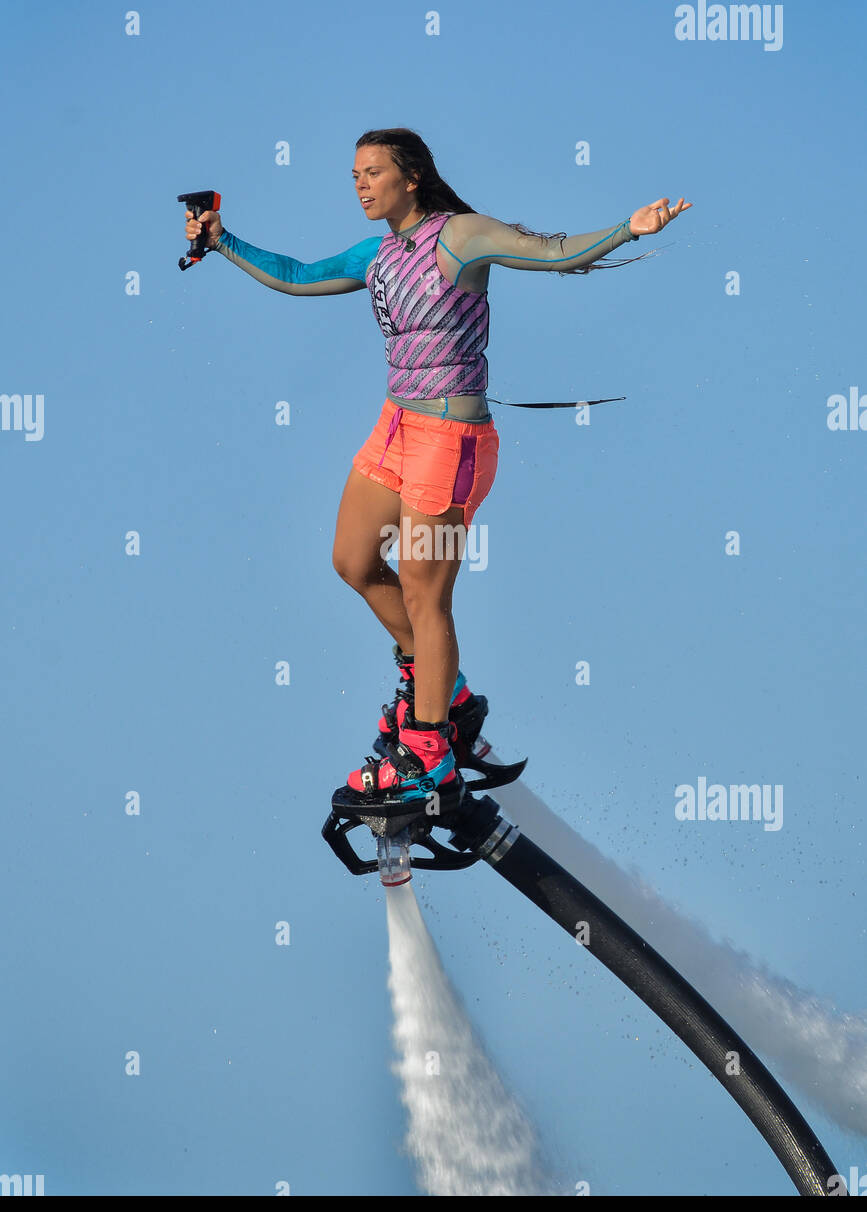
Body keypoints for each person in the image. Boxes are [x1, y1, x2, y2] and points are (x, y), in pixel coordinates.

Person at [184, 127, 691, 806]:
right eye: (354, 175)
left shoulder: (461, 236)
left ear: (411, 176)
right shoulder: (379, 253)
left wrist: (628, 229)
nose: (360, 184)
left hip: (450, 441)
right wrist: (221, 239)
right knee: (353, 562)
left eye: (373, 172)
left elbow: (553, 254)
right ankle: (444, 692)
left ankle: (428, 751)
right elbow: (298, 276)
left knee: (427, 596)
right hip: (394, 428)